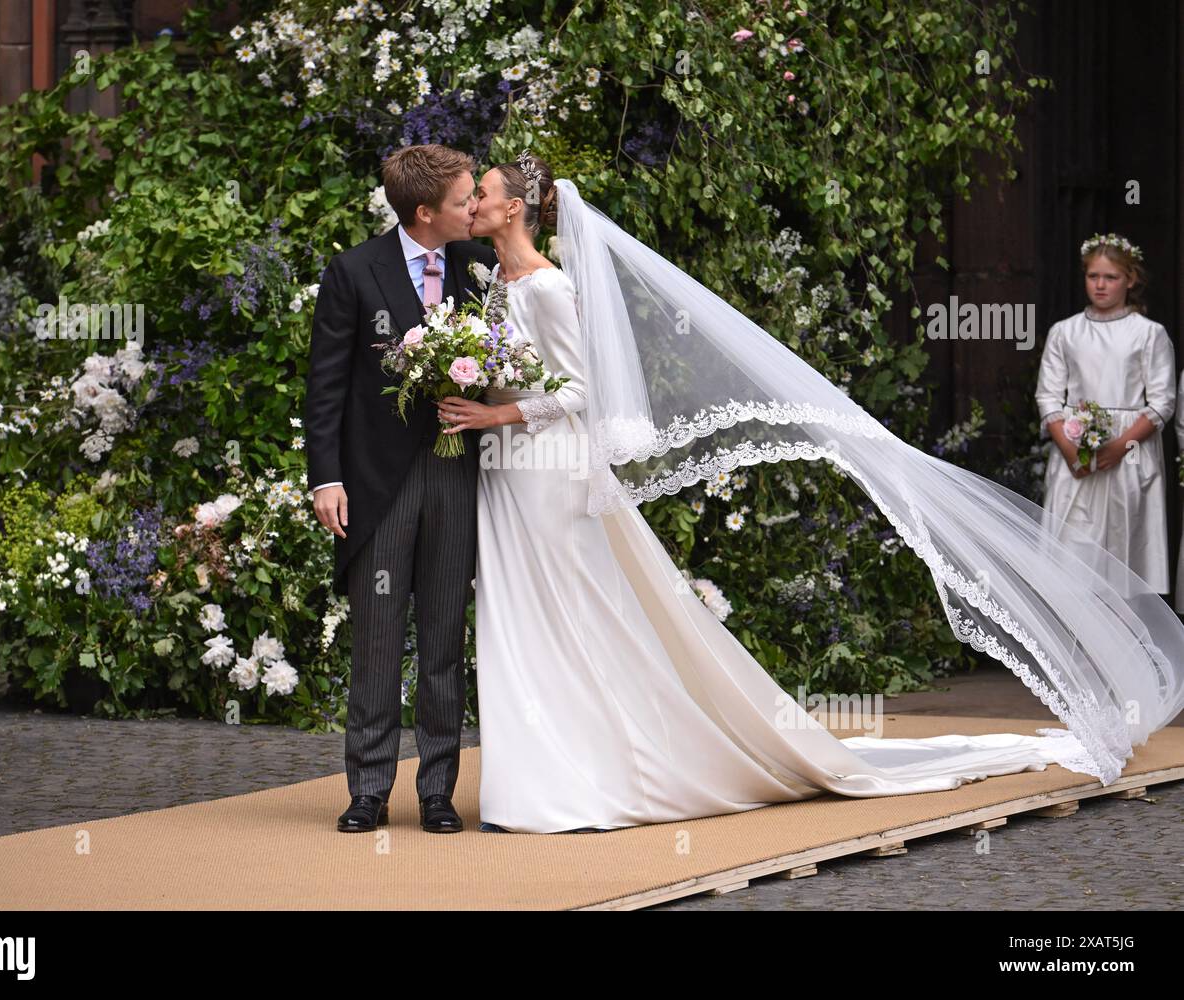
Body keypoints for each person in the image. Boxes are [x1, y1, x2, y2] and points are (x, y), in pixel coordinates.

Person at [435, 154, 1184, 834]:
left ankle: (576, 775)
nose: (470, 207)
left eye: (483, 197)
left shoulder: (552, 287)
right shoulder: (491, 283)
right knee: (517, 615)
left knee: (571, 611)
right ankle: (532, 774)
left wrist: (494, 411)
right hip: (505, 473)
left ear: (514, 210)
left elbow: (581, 389)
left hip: (547, 471)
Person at [304, 144, 496, 834]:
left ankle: (438, 792)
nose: (473, 207)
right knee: (379, 643)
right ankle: (368, 792)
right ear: (424, 212)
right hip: (376, 486)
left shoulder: (481, 272)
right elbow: (324, 387)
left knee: (445, 640)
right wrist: (325, 478)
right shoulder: (354, 272)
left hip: (456, 475)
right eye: (463, 199)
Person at [1035, 233, 1175, 599]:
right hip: (1075, 452)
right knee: (1072, 553)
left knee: (1123, 559)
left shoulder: (1149, 334)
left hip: (1128, 456)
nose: (1100, 284)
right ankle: (1073, 651)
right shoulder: (1064, 332)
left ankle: (1121, 651)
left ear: (1130, 279)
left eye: (1110, 277)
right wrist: (1070, 451)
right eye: (1093, 276)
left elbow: (1162, 401)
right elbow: (1048, 395)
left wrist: (1118, 448)